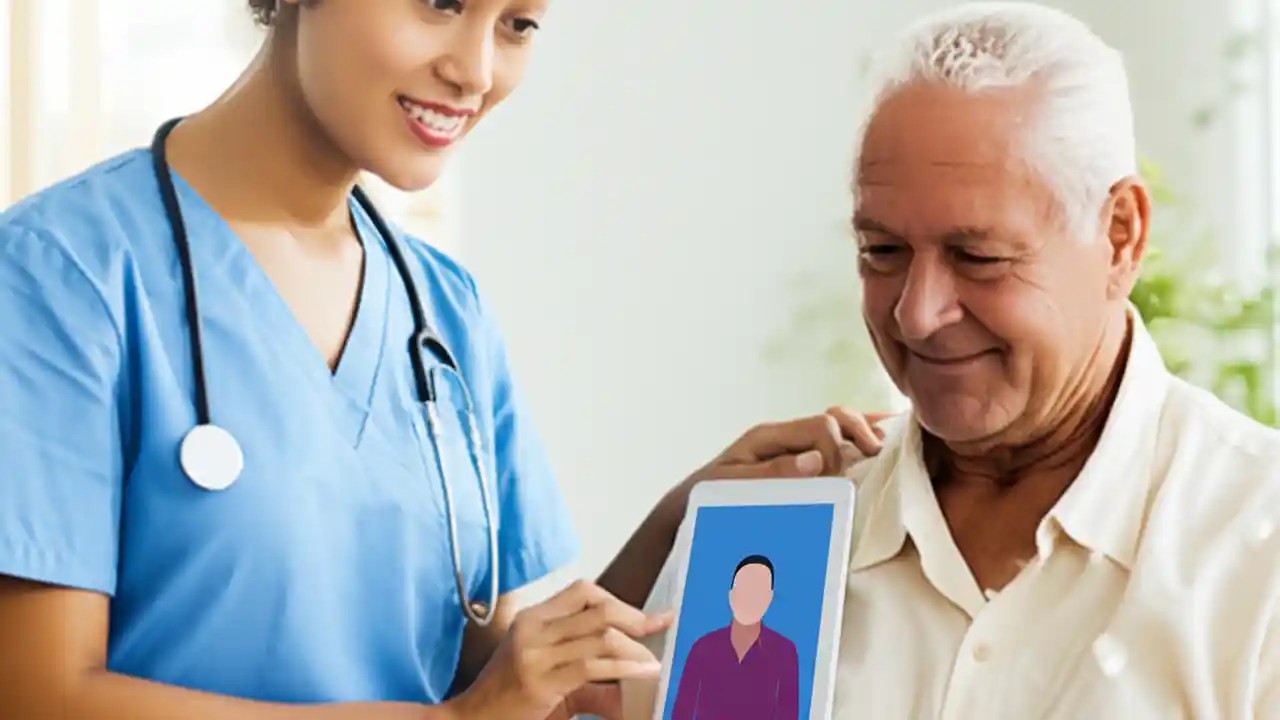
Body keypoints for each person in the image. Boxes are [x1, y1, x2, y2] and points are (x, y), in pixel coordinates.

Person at [0, 1, 887, 719]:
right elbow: (37, 693)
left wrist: (681, 519)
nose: (476, 69)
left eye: (518, 24)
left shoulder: (442, 308)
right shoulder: (60, 276)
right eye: (440, 4)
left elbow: (489, 665)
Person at [633, 3, 1280, 718]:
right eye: (882, 252)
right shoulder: (771, 534)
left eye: (978, 258)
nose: (915, 312)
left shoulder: (1258, 545)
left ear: (1120, 237)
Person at [671, 555, 798, 720]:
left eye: (758, 590)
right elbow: (682, 712)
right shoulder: (703, 648)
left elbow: (788, 714)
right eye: (745, 587)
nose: (750, 597)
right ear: (731, 595)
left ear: (769, 599)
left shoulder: (784, 651)